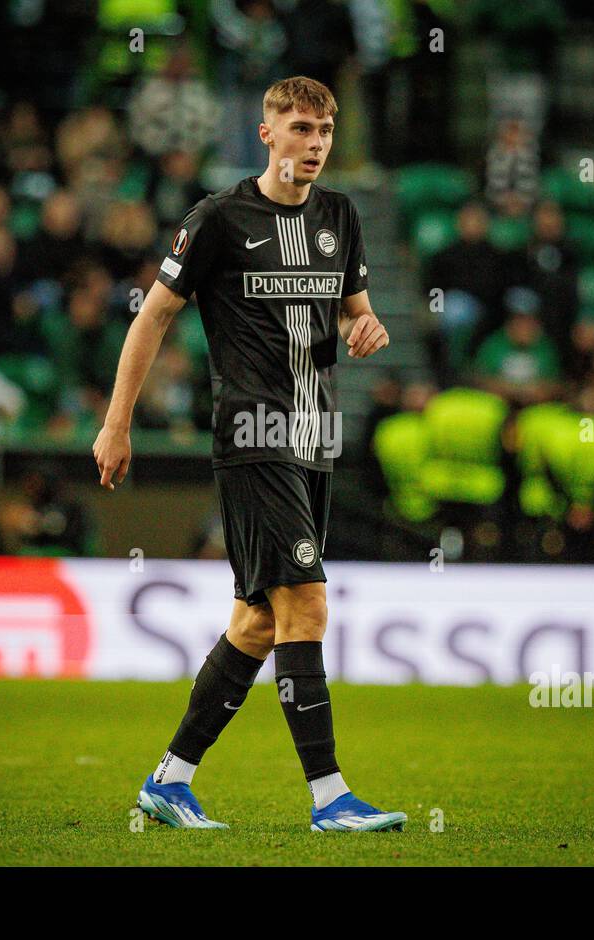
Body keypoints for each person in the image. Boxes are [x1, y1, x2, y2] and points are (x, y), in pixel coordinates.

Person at [93, 76, 405, 832]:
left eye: (325, 131)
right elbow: (153, 318)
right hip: (253, 433)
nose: (315, 144)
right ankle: (330, 798)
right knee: (307, 604)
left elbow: (356, 314)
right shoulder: (219, 219)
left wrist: (370, 329)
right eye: (300, 129)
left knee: (259, 623)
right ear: (267, 134)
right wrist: (116, 423)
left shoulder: (340, 216)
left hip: (314, 438)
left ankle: (169, 780)